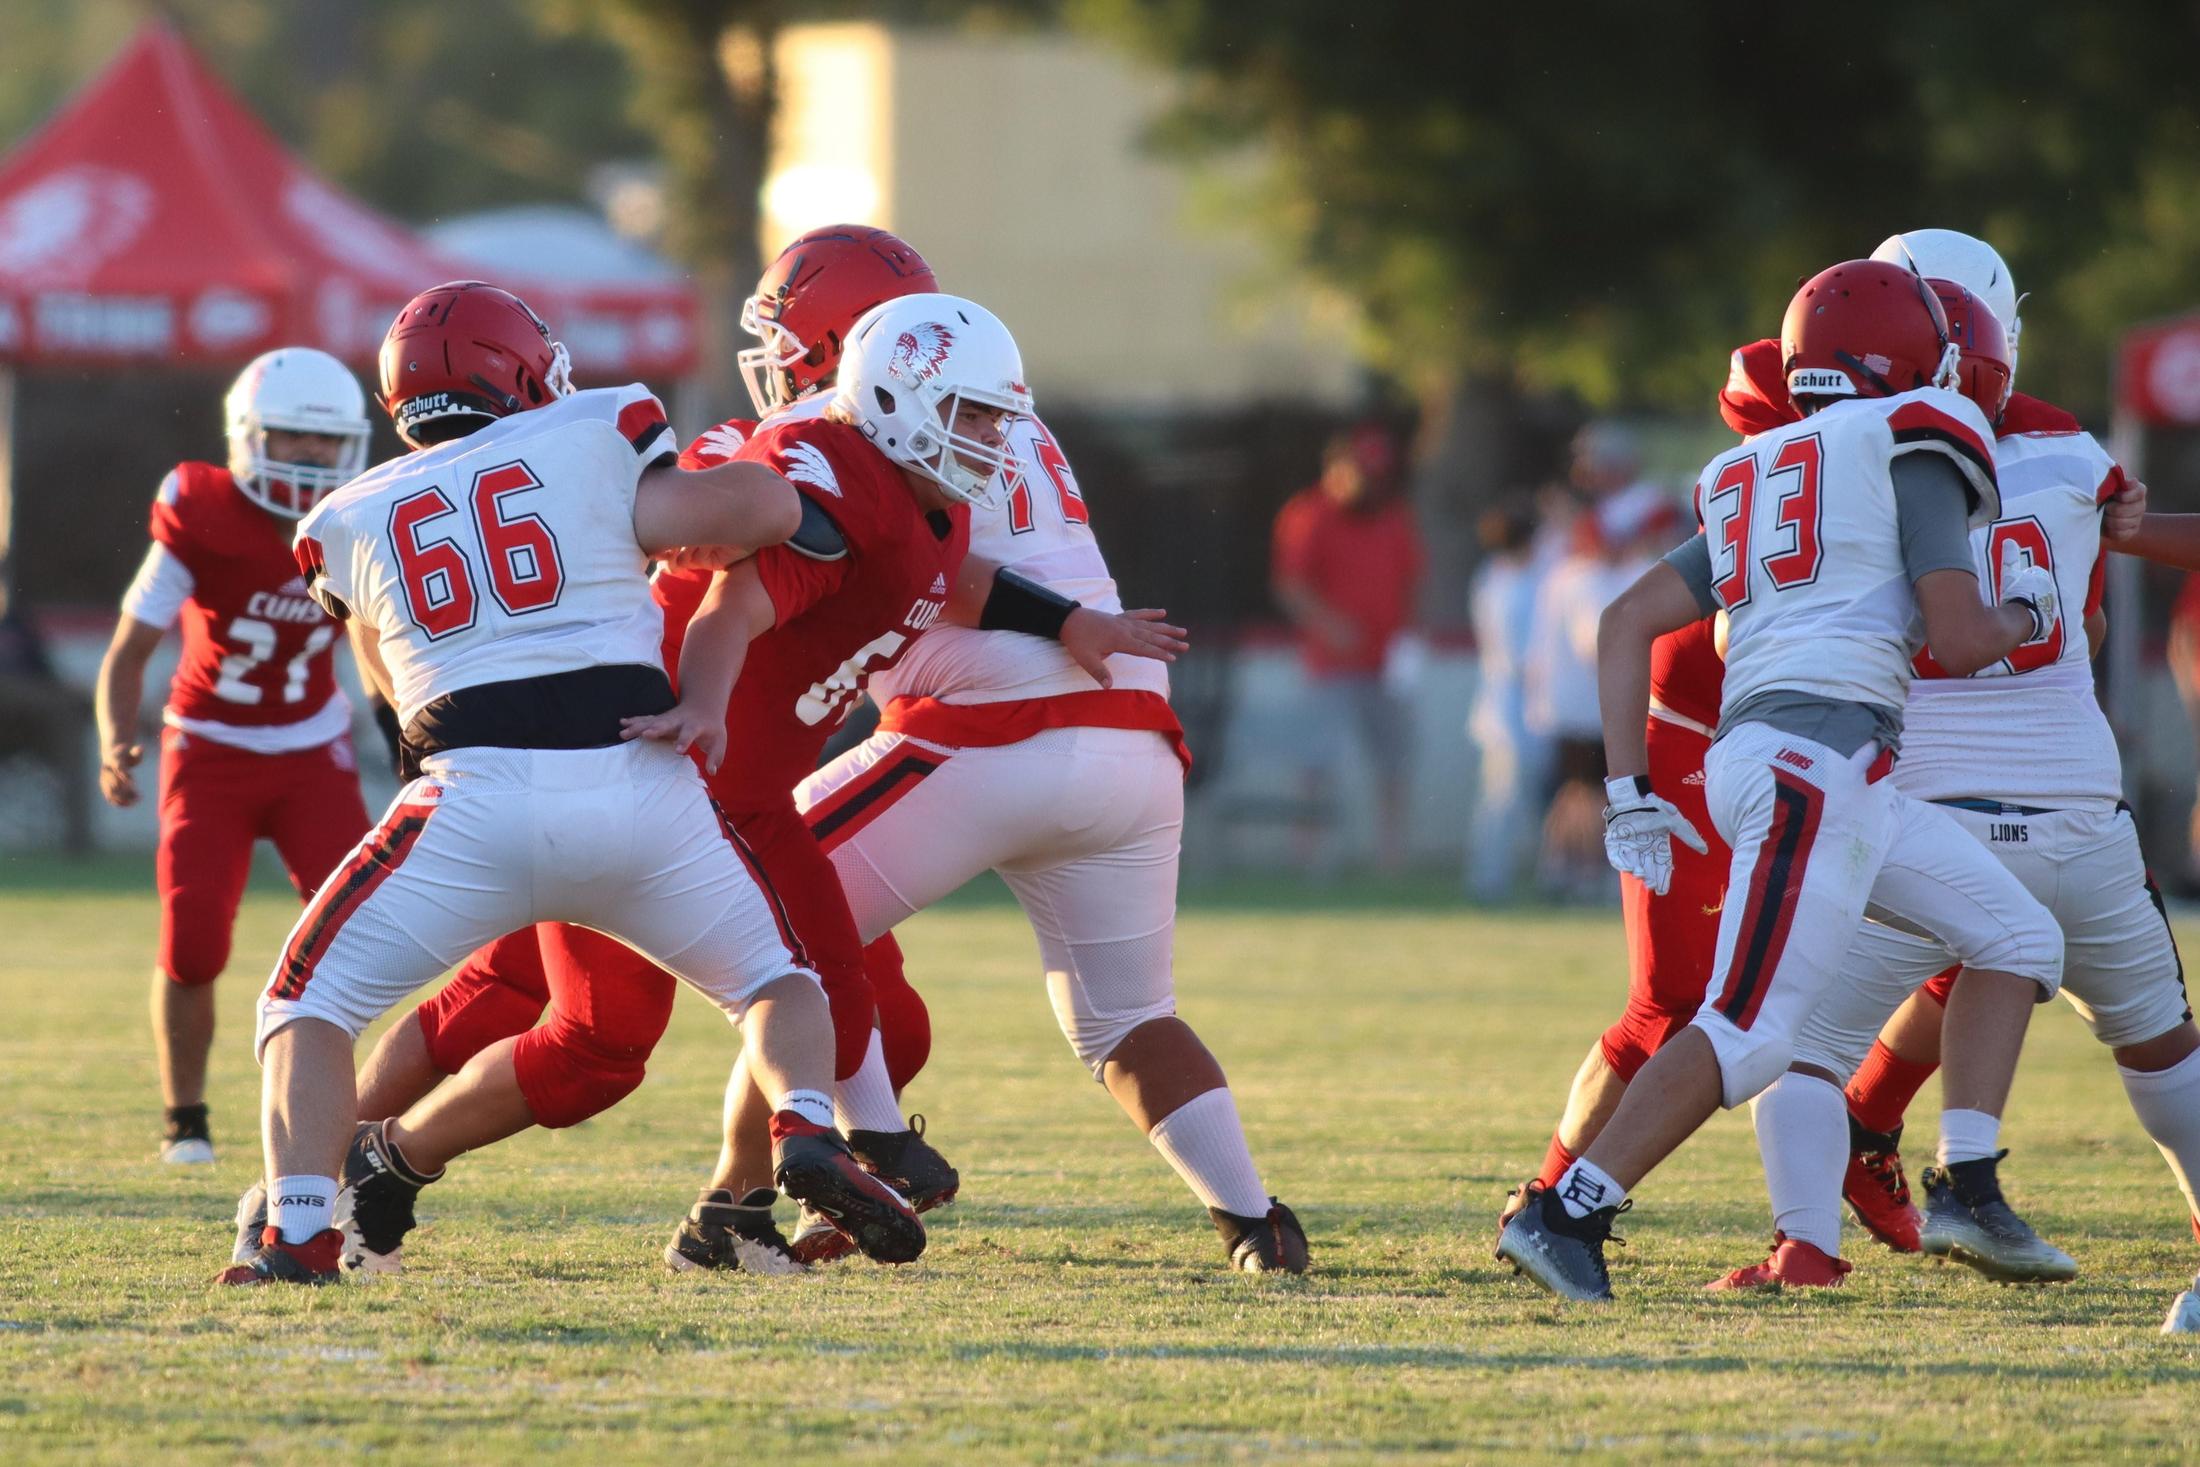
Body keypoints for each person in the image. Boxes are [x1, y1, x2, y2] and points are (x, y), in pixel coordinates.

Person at [260, 277, 1181, 1279]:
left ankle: (741, 1199)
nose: (986, 435)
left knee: (826, 998)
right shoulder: (692, 441)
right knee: (607, 1027)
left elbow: (914, 556)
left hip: (583, 778)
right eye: (967, 411)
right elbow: (735, 546)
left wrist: (1065, 619)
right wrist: (714, 544)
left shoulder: (358, 510)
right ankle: (373, 1168)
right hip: (661, 765)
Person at [220, 279, 925, 1285]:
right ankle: (805, 1125)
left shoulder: (345, 515)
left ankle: (298, 1228)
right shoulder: (598, 428)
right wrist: (710, 521)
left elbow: (378, 662)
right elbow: (761, 510)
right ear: (523, 367)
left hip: (470, 793)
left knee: (304, 1004)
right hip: (638, 781)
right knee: (778, 982)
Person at [1497, 260, 2066, 1302]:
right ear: (1911, 358)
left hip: (1808, 764)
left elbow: (1624, 622)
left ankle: (1964, 1180)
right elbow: (1959, 636)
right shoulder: (1916, 434)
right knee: (1747, 1030)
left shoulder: (1750, 466)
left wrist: (1628, 792)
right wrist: (2031, 611)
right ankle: (1564, 1211)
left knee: (2022, 938)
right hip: (1814, 766)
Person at [781, 385, 1306, 1275]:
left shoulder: (856, 420)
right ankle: (1257, 1223)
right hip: (1131, 731)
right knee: (1128, 1019)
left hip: (988, 722)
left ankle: (865, 1148)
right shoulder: (1002, 413)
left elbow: (931, 568)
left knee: (758, 894)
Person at [1768, 231, 2200, 1310]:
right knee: (2160, 1047)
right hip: (2083, 820)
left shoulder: (1852, 469)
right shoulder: (2068, 456)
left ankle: (1808, 1245)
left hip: (1923, 816)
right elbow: (2093, 612)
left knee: (1803, 1045)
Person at [93, 349, 373, 1164]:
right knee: (192, 939)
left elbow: (375, 630)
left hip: (310, 747)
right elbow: (129, 645)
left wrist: (401, 715)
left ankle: (346, 1112)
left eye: (328, 443)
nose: (314, 458)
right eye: (294, 437)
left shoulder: (356, 513)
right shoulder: (200, 510)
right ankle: (185, 1115)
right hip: (210, 746)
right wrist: (116, 735)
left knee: (360, 933)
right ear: (249, 437)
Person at [1270, 425, 1424, 872]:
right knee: (1316, 764)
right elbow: (1291, 584)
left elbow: (1413, 580)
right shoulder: (1310, 514)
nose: (1371, 482)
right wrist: (1329, 624)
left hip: (1386, 665)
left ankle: (1390, 858)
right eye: (1362, 471)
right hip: (1330, 665)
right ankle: (1308, 855)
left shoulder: (1393, 516)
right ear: (1337, 468)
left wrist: (1411, 638)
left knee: (1393, 764)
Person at [1465, 497, 1553, 900]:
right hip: (1509, 706)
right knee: (1503, 798)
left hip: (1527, 704)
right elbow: (1521, 654)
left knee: (1537, 799)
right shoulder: (1506, 585)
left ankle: (1549, 877)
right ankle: (1488, 881)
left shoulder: (1499, 576)